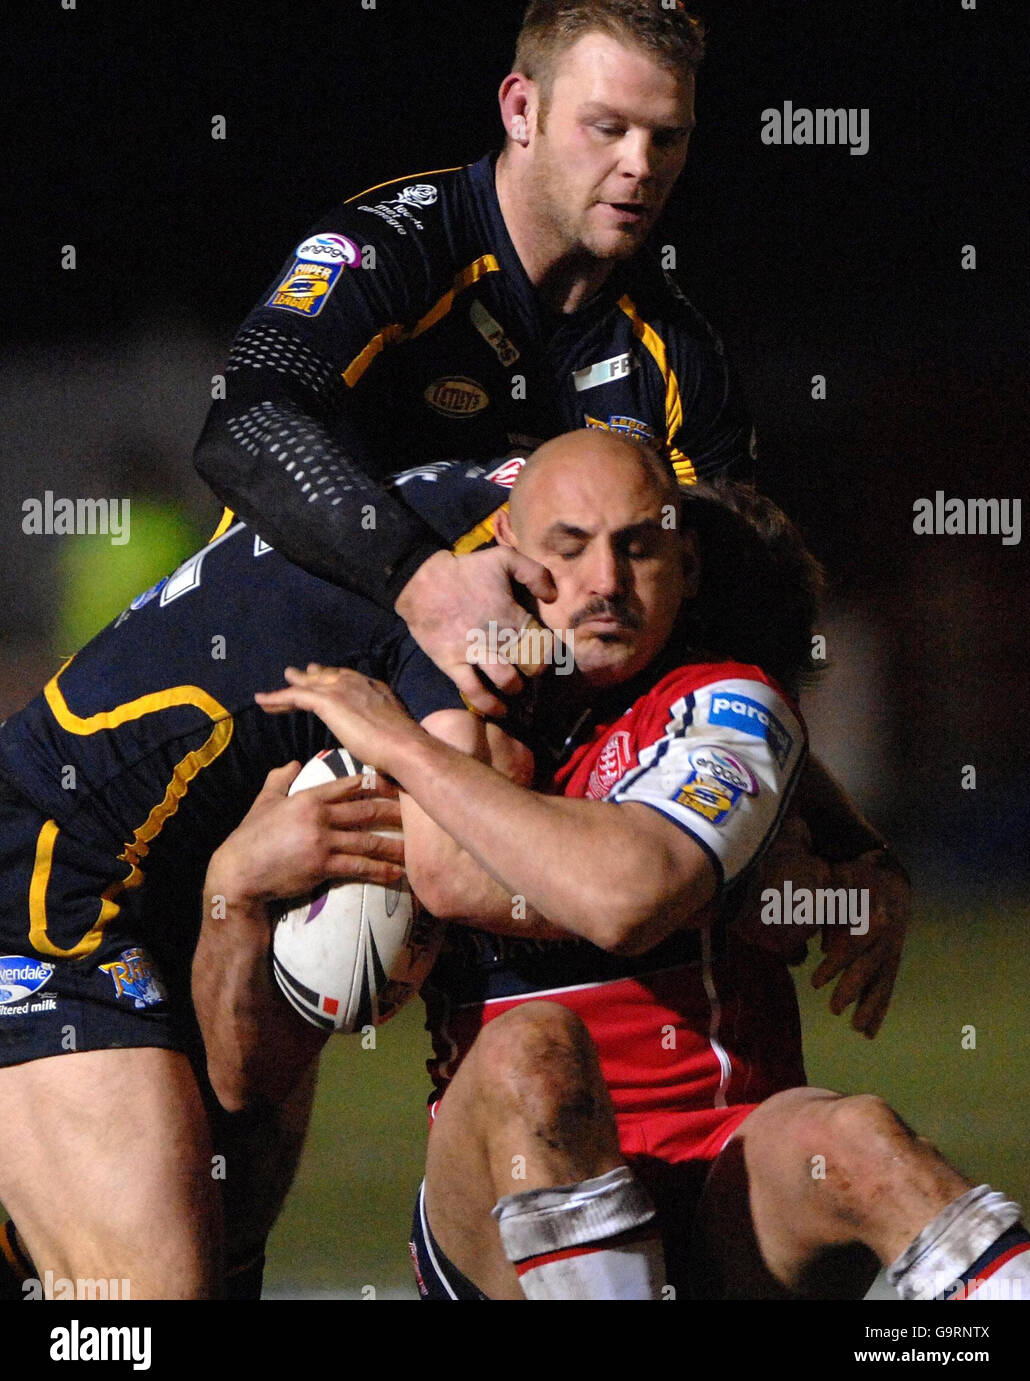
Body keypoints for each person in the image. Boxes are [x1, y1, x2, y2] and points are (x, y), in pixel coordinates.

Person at [193, 0, 909, 1020]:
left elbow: (730, 644)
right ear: (520, 108)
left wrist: (848, 847)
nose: (639, 165)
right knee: (212, 1119)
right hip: (260, 724)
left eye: (667, 138)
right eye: (606, 127)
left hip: (467, 785)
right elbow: (242, 420)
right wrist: (424, 579)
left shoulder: (680, 362)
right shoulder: (400, 245)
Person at [246, 431, 1025, 1302]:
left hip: (726, 1177)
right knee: (530, 1055)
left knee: (863, 1140)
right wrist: (233, 889)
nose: (604, 583)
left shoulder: (726, 707)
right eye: (568, 549)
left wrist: (406, 750)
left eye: (637, 547)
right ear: (507, 555)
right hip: (505, 1196)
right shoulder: (447, 708)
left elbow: (612, 900)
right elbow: (249, 1067)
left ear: (685, 568)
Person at [0, 494, 474, 1300]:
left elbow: (241, 1083)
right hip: (47, 884)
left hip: (186, 877)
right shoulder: (432, 593)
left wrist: (237, 889)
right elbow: (477, 876)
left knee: (226, 1229)